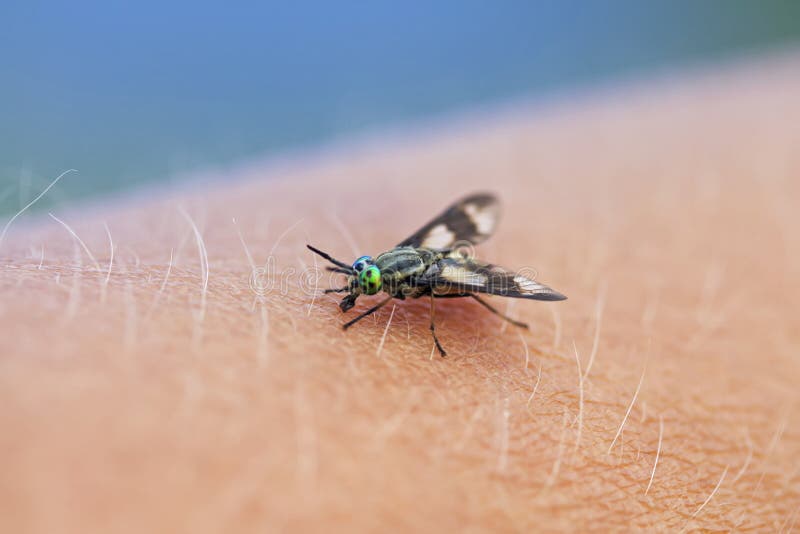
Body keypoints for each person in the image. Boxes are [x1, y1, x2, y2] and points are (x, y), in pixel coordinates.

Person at [1, 56, 798, 532]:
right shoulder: (377, 272)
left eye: (365, 278)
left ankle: (494, 310)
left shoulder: (409, 281)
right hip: (429, 251)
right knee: (441, 270)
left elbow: (432, 276)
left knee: (472, 294)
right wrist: (356, 281)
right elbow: (397, 266)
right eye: (363, 276)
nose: (363, 282)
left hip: (451, 271)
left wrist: (445, 314)